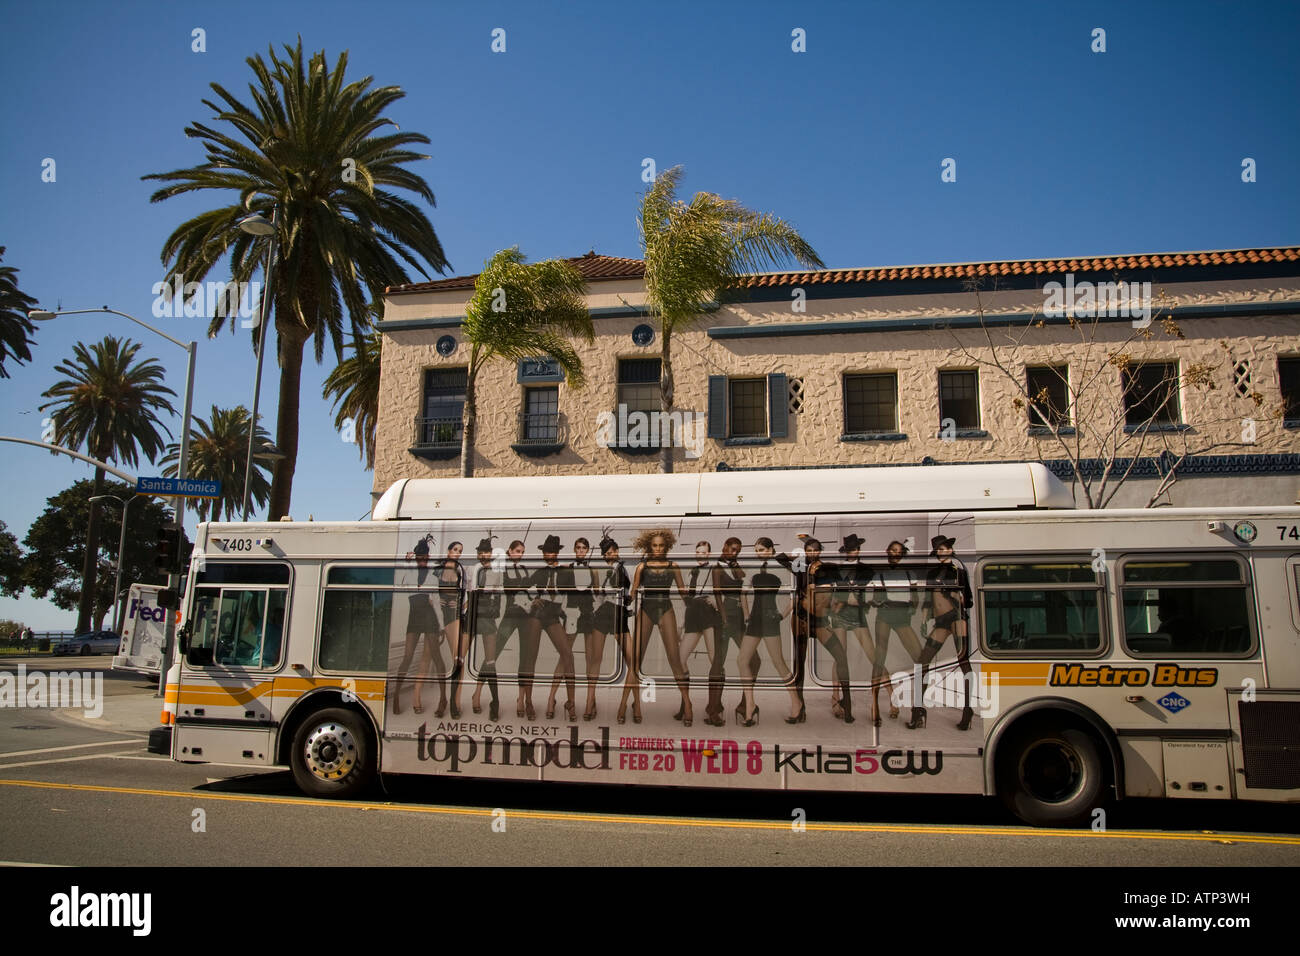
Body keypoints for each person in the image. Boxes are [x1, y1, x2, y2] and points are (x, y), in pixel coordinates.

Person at [907, 535, 975, 730]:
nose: (942, 551)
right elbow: (928, 601)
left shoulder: (959, 571)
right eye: (939, 548)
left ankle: (968, 709)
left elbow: (968, 600)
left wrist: (958, 596)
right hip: (940, 622)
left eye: (945, 548)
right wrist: (923, 619)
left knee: (964, 663)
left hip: (956, 618)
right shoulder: (933, 572)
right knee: (922, 662)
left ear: (950, 549)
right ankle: (918, 710)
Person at [628, 528, 693, 726]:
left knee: (674, 658)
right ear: (649, 546)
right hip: (646, 608)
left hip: (665, 608)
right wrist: (623, 599)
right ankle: (636, 704)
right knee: (637, 658)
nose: (657, 549)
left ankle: (687, 704)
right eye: (654, 545)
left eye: (661, 545)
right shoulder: (642, 567)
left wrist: (693, 599)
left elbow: (682, 591)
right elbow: (634, 591)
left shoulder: (674, 566)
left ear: (667, 546)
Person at [737, 538, 802, 726]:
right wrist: (747, 615)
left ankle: (796, 704)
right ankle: (750, 705)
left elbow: (795, 593)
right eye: (757, 550)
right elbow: (744, 593)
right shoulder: (753, 568)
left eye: (763, 550)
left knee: (778, 662)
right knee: (742, 660)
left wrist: (781, 615)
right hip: (755, 620)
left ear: (772, 549)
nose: (759, 553)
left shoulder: (782, 566)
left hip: (771, 619)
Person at [869, 540, 923, 725]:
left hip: (902, 617)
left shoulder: (910, 573)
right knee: (879, 658)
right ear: (887, 551)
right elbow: (876, 598)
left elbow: (915, 598)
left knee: (921, 658)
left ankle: (918, 708)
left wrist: (912, 607)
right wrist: (877, 600)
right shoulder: (880, 574)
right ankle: (874, 705)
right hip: (884, 614)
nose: (896, 553)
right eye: (893, 550)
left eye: (899, 551)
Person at [801, 537, 854, 723]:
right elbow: (803, 599)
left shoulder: (829, 568)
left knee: (841, 657)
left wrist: (834, 607)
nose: (812, 553)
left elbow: (840, 591)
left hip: (822, 621)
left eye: (815, 549)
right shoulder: (801, 568)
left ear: (820, 550)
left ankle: (845, 701)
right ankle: (799, 707)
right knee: (798, 664)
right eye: (808, 550)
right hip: (804, 620)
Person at [525, 535, 577, 722]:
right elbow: (519, 588)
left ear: (557, 552)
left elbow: (573, 597)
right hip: (538, 612)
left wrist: (568, 616)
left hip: (555, 613)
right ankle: (528, 702)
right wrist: (530, 601)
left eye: (552, 551)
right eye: (546, 551)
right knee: (531, 656)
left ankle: (571, 702)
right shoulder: (539, 572)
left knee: (568, 655)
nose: (549, 554)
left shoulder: (566, 572)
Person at [392, 535, 443, 716]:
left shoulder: (433, 576)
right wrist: (405, 563)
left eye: (424, 557)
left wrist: (442, 626)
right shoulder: (410, 572)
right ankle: (396, 697)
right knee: (407, 657)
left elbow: (436, 602)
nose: (422, 560)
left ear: (428, 556)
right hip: (414, 616)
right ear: (415, 557)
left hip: (429, 617)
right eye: (419, 557)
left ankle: (443, 699)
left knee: (436, 657)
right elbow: (398, 584)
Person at [547, 537, 595, 720]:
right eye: (578, 548)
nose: (581, 551)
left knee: (591, 659)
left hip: (588, 614)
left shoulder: (592, 569)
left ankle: (591, 702)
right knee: (565, 656)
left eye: (584, 548)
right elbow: (560, 594)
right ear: (574, 550)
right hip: (573, 613)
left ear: (588, 550)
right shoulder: (567, 569)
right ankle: (552, 698)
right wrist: (563, 612)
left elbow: (596, 593)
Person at [830, 533, 873, 718]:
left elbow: (861, 597)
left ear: (859, 549)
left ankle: (889, 697)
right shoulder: (837, 569)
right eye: (850, 549)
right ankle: (836, 698)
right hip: (839, 615)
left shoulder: (866, 569)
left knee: (873, 655)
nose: (853, 551)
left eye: (855, 548)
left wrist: (847, 601)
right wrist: (840, 602)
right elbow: (836, 596)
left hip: (856, 614)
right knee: (839, 656)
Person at [678, 541, 722, 721]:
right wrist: (681, 624)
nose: (700, 555)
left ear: (709, 553)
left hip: (708, 613)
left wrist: (716, 603)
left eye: (703, 552)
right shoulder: (692, 571)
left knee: (715, 660)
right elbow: (687, 597)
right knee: (680, 659)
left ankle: (715, 708)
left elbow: (722, 592)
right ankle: (685, 703)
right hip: (692, 612)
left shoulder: (715, 570)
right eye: (697, 552)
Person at [591, 531, 631, 722]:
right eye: (607, 551)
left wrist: (630, 609)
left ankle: (626, 704)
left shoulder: (624, 569)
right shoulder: (600, 570)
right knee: (596, 658)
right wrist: (595, 611)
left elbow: (630, 592)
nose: (610, 553)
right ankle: (591, 700)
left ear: (617, 551)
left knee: (632, 660)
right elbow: (598, 595)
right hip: (604, 611)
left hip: (619, 611)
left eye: (612, 550)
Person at [711, 537, 751, 723]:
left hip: (739, 615)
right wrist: (724, 618)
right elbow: (717, 593)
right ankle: (714, 709)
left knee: (754, 660)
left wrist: (734, 562)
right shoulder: (717, 567)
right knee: (719, 661)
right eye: (733, 549)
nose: (735, 553)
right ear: (725, 546)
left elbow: (742, 577)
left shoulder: (733, 565)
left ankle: (745, 704)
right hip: (725, 614)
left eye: (738, 551)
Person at [469, 537, 504, 721]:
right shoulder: (471, 570)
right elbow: (466, 594)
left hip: (488, 617)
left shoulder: (497, 572)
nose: (484, 555)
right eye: (481, 552)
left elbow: (497, 596)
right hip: (472, 615)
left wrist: (494, 612)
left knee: (490, 662)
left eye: (487, 552)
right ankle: (454, 702)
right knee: (459, 659)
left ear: (491, 553)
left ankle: (494, 702)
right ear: (477, 553)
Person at [439, 542, 466, 718]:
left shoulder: (461, 570)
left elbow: (467, 593)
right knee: (442, 659)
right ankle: (445, 701)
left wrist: (460, 605)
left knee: (457, 659)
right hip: (440, 615)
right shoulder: (438, 568)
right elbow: (430, 592)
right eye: (455, 550)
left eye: (460, 551)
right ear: (449, 551)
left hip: (455, 615)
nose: (457, 553)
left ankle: (453, 702)